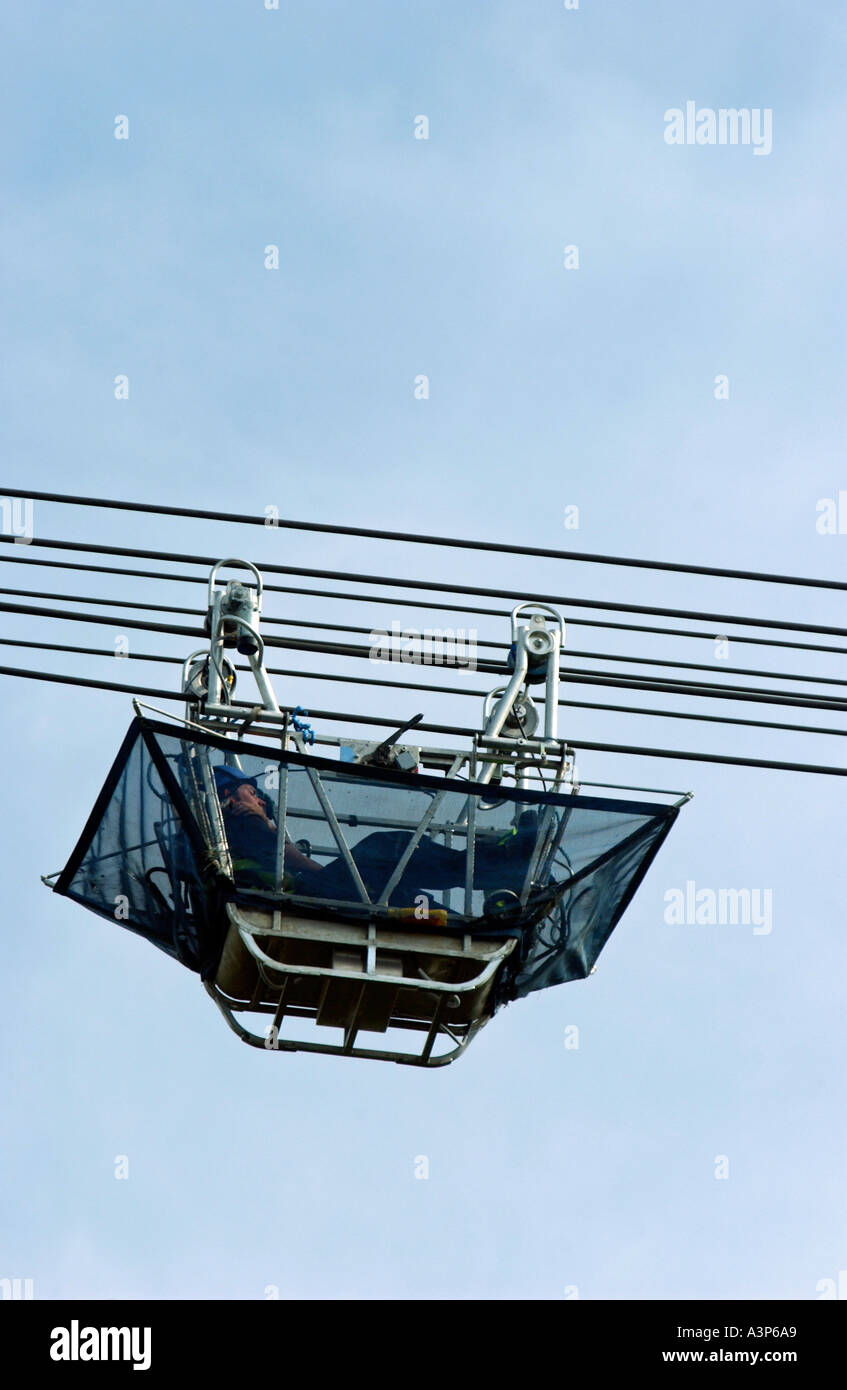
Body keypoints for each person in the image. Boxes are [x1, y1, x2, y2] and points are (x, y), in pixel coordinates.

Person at [212, 764, 538, 908]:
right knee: (387, 849)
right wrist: (337, 880)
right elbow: (283, 860)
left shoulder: (235, 830)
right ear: (228, 794)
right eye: (251, 792)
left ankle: (502, 875)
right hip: (307, 895)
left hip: (306, 894)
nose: (258, 800)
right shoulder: (241, 822)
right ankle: (506, 863)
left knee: (398, 890)